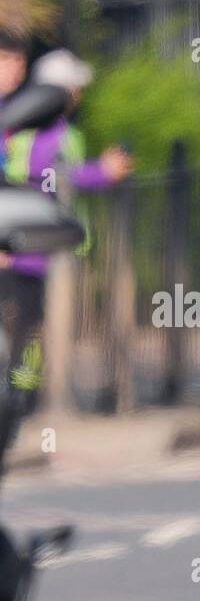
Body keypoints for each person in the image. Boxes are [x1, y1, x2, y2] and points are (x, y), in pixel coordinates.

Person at [0, 49, 133, 431]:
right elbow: (49, 177)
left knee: (36, 330)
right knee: (26, 329)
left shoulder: (57, 128)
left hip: (45, 250)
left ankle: (26, 397)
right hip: (30, 252)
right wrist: (101, 172)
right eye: (70, 88)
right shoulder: (38, 129)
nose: (77, 94)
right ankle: (22, 402)